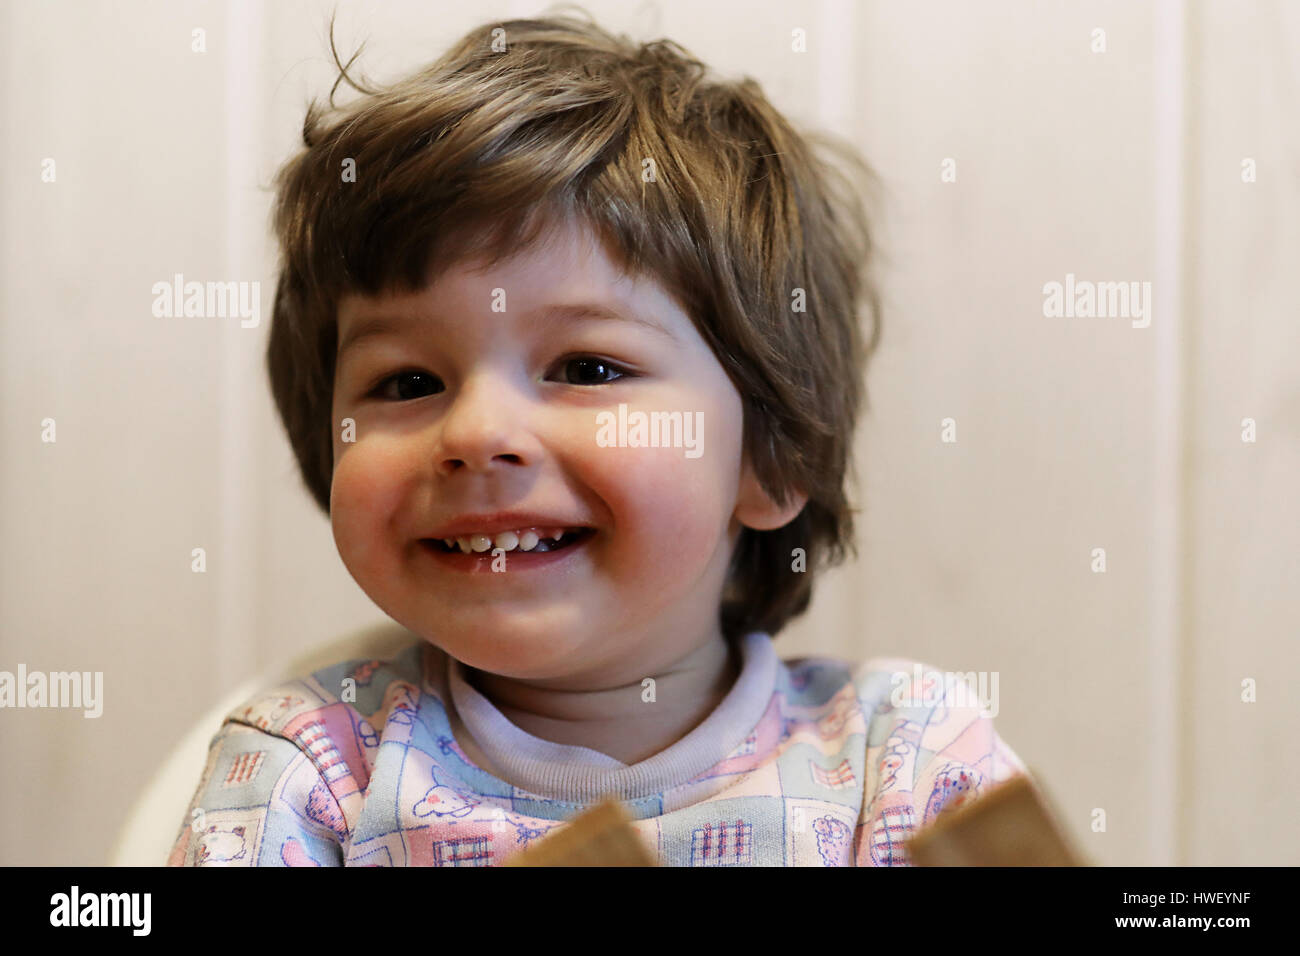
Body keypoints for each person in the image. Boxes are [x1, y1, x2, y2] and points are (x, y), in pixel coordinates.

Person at [167, 11, 1027, 867]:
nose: (474, 433)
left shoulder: (909, 762)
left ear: (770, 452)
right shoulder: (305, 771)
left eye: (588, 369)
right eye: (409, 383)